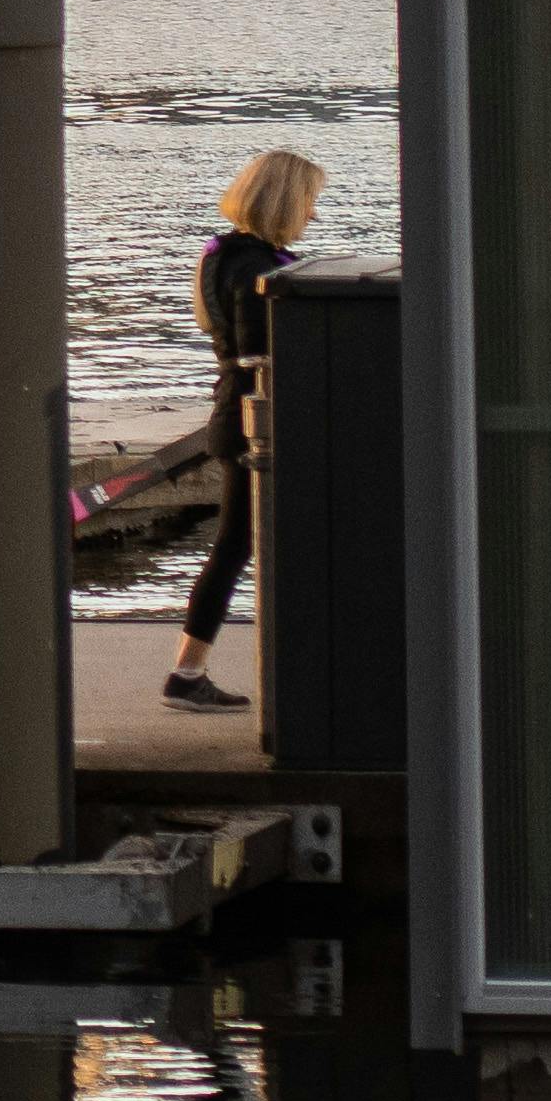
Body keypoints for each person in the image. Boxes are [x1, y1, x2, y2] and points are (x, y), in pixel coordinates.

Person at [165, 148, 325, 714]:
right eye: (307, 202)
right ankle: (200, 673)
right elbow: (269, 352)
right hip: (260, 423)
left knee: (235, 546)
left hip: (229, 412)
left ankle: (188, 670)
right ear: (286, 202)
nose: (310, 214)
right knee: (265, 545)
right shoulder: (263, 271)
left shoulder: (220, 255)